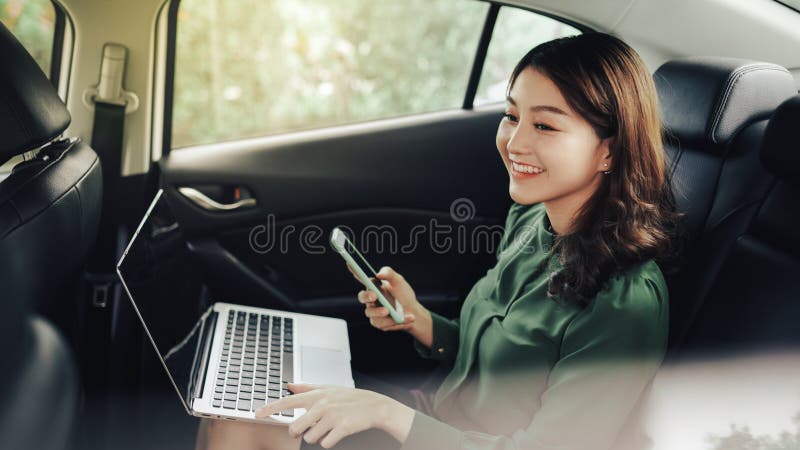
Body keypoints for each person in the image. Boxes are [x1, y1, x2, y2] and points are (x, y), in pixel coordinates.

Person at [195, 31, 686, 450]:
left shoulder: (626, 305)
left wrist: (388, 415)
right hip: (433, 419)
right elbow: (489, 359)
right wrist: (419, 321)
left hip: (442, 435)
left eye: (545, 125)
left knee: (244, 424)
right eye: (512, 116)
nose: (515, 142)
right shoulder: (530, 221)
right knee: (240, 404)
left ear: (609, 150)